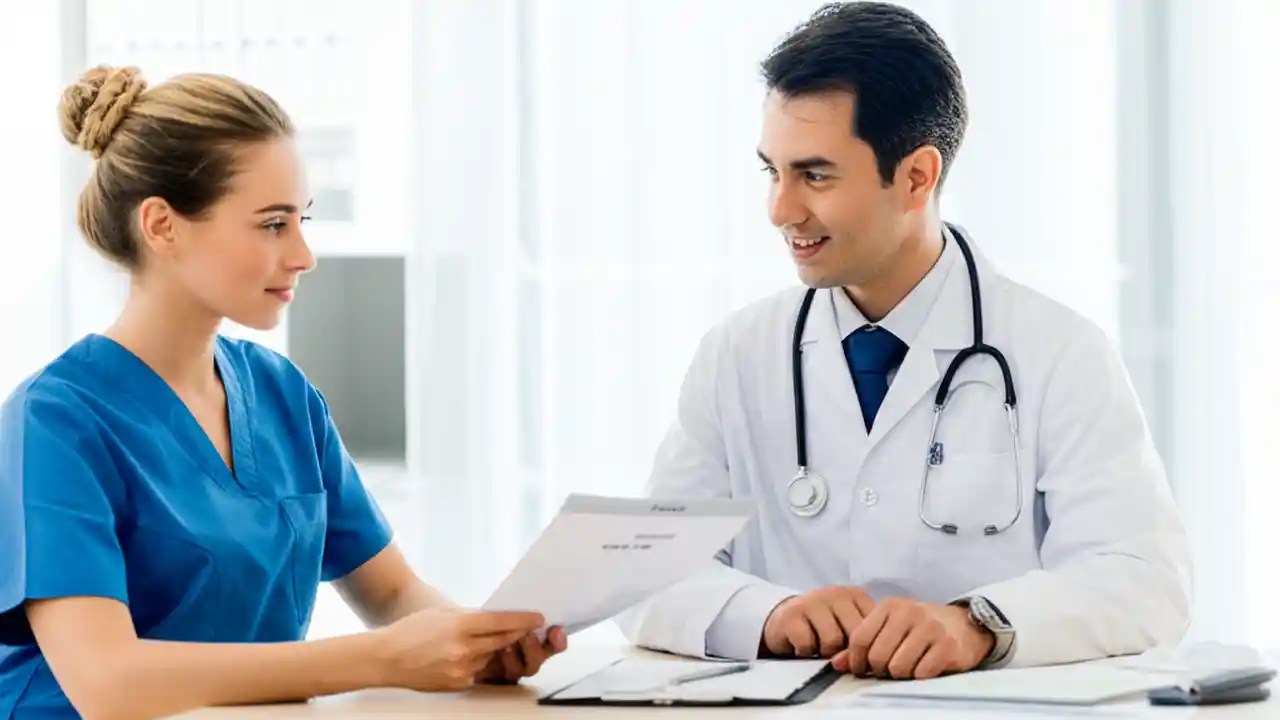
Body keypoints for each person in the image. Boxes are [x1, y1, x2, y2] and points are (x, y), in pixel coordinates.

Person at [618, 1, 1190, 679]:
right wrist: (765, 614)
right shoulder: (738, 354)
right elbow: (646, 575)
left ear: (917, 176)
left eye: (816, 175)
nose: (780, 210)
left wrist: (980, 623)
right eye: (773, 171)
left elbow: (1145, 581)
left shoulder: (1057, 351)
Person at [0, 66, 566, 720]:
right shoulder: (53, 423)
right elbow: (108, 682)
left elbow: (393, 592)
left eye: (303, 220)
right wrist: (382, 659)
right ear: (162, 227)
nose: (304, 254)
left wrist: (477, 642)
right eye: (273, 224)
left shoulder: (282, 395)